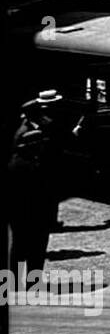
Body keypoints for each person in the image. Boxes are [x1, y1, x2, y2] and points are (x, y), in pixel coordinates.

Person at [7, 90, 64, 278]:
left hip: (27, 211)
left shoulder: (24, 161)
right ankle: (24, 282)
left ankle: (20, 282)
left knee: (26, 246)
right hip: (30, 210)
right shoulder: (25, 165)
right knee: (31, 246)